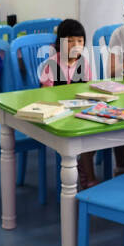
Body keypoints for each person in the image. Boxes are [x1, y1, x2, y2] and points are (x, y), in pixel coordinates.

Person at [40, 18, 98, 188]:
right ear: (59, 43)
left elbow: (88, 89)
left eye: (79, 41)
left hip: (78, 112)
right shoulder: (52, 64)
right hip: (58, 115)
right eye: (70, 41)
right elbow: (44, 93)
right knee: (84, 140)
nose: (75, 45)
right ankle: (88, 175)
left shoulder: (83, 63)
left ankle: (86, 172)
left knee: (93, 138)